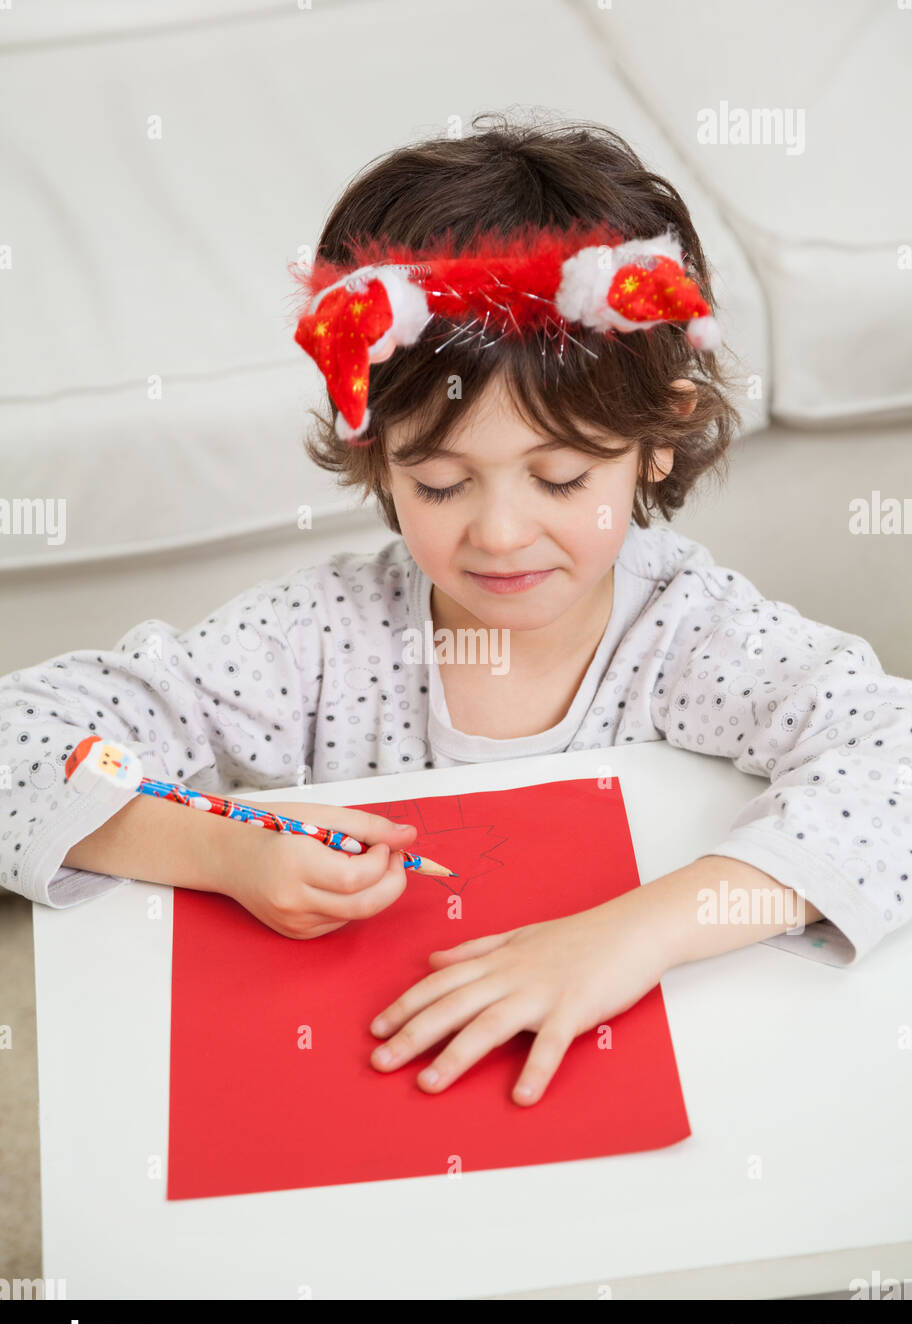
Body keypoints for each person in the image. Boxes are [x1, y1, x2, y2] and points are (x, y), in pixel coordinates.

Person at [3, 116, 910, 1104]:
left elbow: (894, 763)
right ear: (377, 461)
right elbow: (18, 738)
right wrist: (223, 849)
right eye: (440, 484)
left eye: (561, 477)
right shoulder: (319, 640)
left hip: (659, 1074)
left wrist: (637, 934)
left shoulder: (692, 633)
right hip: (361, 1081)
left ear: (659, 441)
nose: (502, 534)